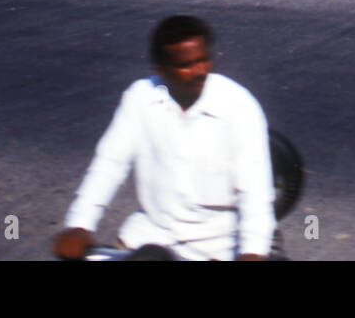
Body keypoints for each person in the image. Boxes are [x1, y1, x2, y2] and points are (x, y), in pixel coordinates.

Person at [54, 16, 275, 261]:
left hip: (216, 247)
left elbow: (255, 192)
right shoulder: (140, 97)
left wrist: (253, 251)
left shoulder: (238, 106)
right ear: (160, 71)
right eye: (186, 65)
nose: (200, 71)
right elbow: (109, 165)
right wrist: (79, 225)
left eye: (204, 60)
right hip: (149, 236)